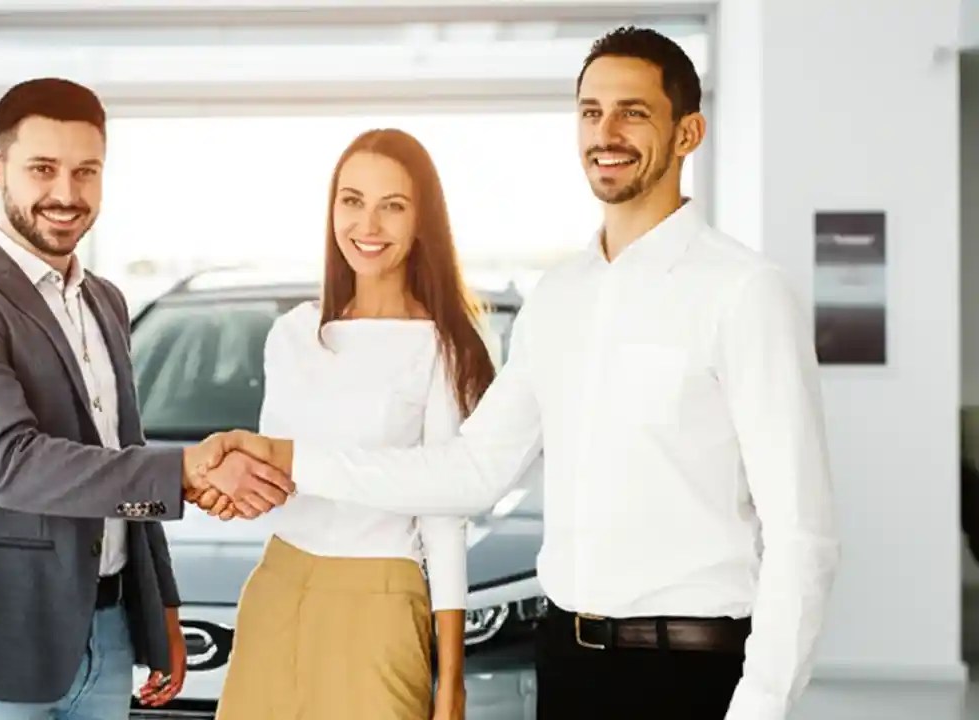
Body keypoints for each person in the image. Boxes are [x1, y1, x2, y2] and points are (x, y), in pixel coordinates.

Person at [194, 27, 840, 720]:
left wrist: (761, 706)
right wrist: (284, 455)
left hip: (687, 669)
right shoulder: (559, 296)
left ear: (689, 133)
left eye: (633, 111)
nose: (606, 131)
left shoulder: (743, 292)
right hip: (566, 660)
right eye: (590, 111)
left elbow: (804, 531)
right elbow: (468, 471)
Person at [0, 77, 292, 720]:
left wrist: (160, 608)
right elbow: (12, 464)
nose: (66, 193)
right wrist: (190, 469)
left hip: (108, 630)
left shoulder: (104, 301)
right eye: (42, 169)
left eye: (87, 171)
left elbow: (123, 454)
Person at [208, 129, 492, 720]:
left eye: (393, 206)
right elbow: (273, 485)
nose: (368, 224)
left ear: (422, 222)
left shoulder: (442, 347)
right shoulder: (292, 334)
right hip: (277, 585)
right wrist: (227, 478)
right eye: (352, 200)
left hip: (380, 599)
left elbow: (444, 515)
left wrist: (451, 683)